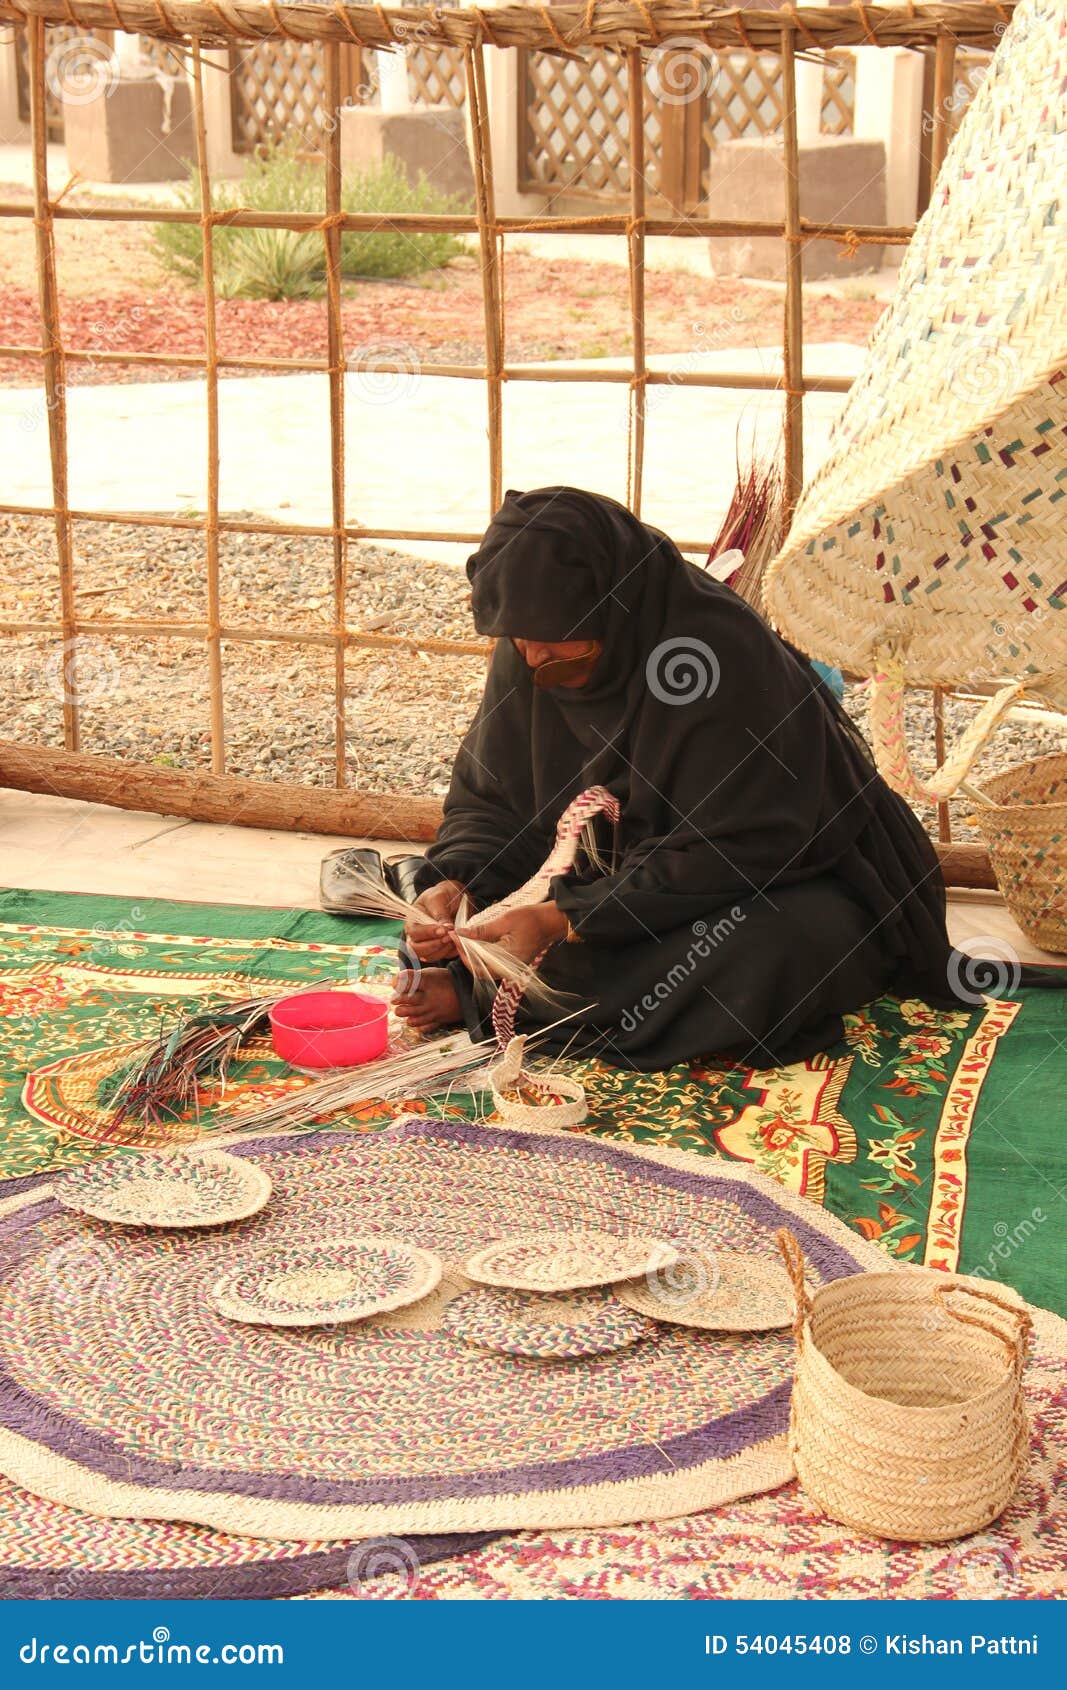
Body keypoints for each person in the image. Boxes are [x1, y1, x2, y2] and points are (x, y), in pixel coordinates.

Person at [390, 486, 974, 1071]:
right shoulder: (535, 644)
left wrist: (566, 918)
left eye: (558, 649)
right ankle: (503, 982)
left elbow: (735, 849)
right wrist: (457, 883)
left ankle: (496, 999)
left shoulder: (712, 656)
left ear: (612, 609)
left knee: (763, 951)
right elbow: (490, 799)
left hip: (777, 875)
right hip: (604, 875)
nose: (537, 662)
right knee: (460, 917)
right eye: (521, 643)